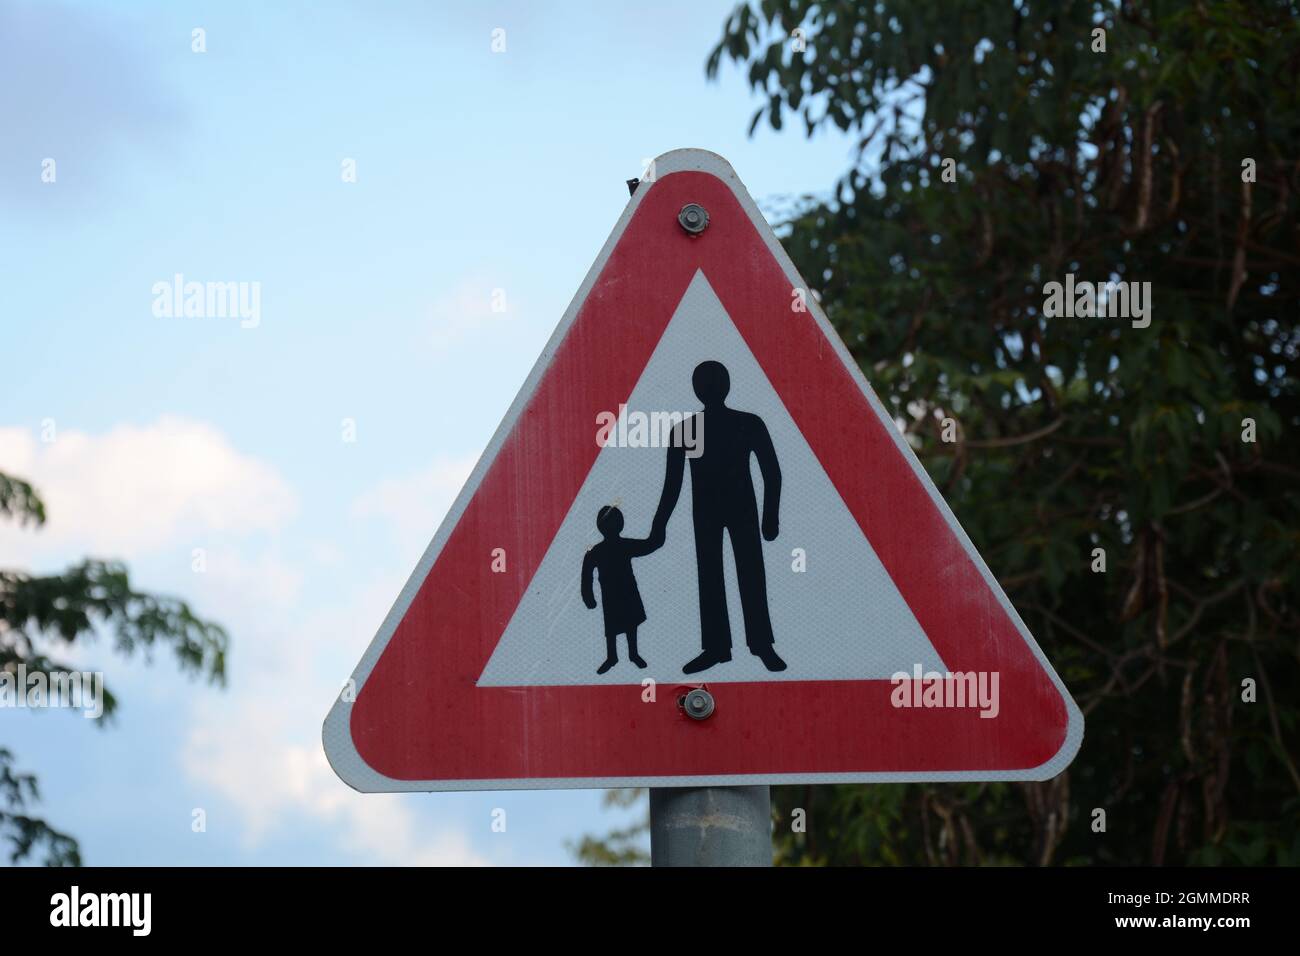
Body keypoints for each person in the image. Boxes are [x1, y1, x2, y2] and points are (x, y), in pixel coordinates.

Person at [649, 360, 787, 674]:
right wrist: (659, 526)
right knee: (711, 575)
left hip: (741, 509)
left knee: (750, 573)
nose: (709, 388)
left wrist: (771, 517)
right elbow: (672, 484)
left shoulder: (747, 423)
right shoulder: (687, 429)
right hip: (708, 512)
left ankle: (761, 644)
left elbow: (772, 473)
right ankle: (716, 648)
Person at [581, 505, 658, 674]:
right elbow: (586, 575)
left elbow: (648, 546)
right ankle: (612, 657)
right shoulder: (596, 551)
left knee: (631, 623)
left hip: (627, 590)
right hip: (611, 594)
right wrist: (589, 597)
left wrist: (658, 534)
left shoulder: (623, 545)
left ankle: (633, 654)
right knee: (612, 627)